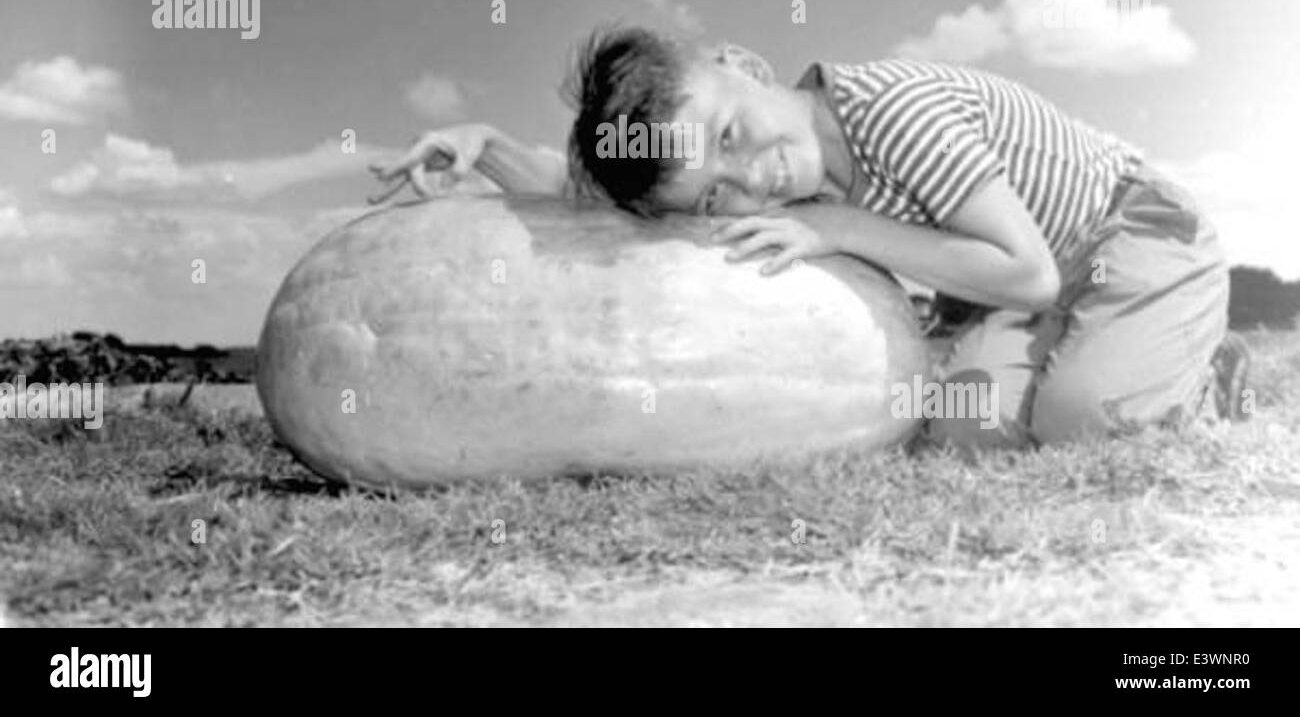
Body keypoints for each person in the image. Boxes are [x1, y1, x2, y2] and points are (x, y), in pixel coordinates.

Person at [369, 26, 1251, 449]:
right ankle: (1104, 358)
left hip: (1126, 235)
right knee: (961, 434)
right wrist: (488, 150)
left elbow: (1024, 271)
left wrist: (834, 227)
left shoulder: (894, 115)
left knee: (1084, 418)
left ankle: (1197, 369)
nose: (748, 180)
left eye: (728, 138)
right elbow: (602, 212)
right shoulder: (768, 176)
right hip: (1023, 290)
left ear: (747, 68)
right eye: (714, 192)